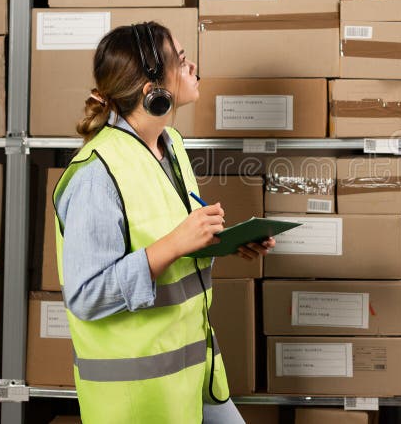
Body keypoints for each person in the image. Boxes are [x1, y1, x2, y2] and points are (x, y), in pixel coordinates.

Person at [53, 21, 273, 424]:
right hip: (140, 398)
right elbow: (86, 296)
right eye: (182, 61)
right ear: (151, 91)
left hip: (194, 376)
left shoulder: (170, 147)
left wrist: (222, 241)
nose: (193, 68)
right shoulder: (96, 175)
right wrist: (175, 243)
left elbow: (168, 242)